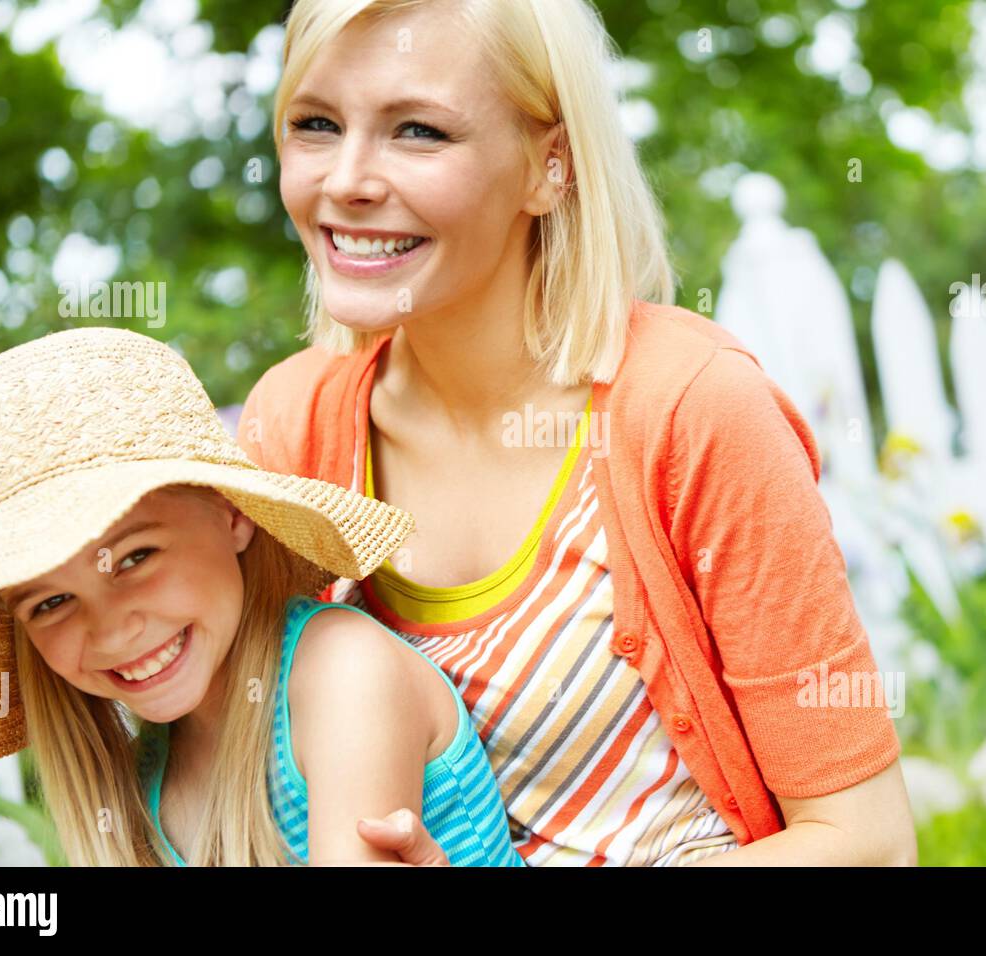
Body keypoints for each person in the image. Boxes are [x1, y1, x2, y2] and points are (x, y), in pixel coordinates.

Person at [241, 0, 918, 865]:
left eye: (417, 131)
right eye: (316, 124)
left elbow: (868, 843)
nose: (346, 180)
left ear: (549, 166)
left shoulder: (692, 408)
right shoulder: (292, 429)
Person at [0, 326, 525, 867]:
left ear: (232, 515)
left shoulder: (339, 672)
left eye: (136, 557)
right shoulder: (148, 773)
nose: (114, 631)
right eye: (49, 603)